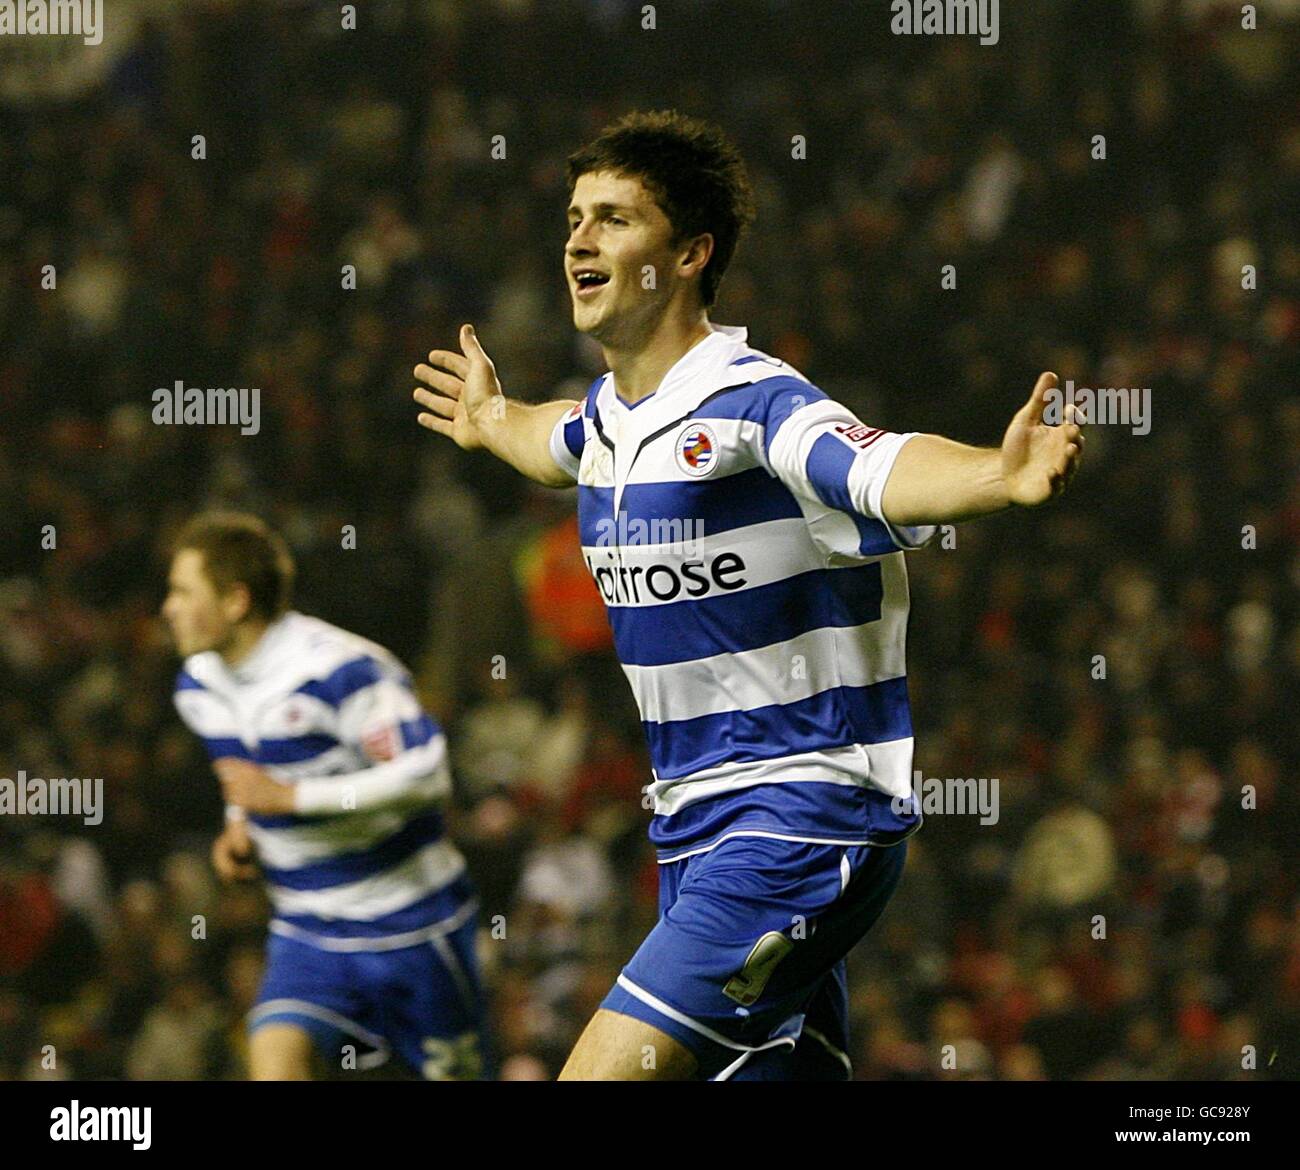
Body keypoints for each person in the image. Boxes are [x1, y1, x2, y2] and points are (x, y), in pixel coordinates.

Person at [412, 109, 1083, 1080]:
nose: (578, 241)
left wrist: (993, 475)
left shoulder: (753, 405)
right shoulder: (606, 425)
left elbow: (876, 467)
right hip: (695, 837)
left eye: (613, 218)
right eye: (572, 218)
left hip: (797, 820)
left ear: (690, 253)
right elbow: (553, 440)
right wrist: (489, 417)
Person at [163, 511, 485, 1080]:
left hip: (412, 924)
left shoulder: (344, 671)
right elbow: (247, 778)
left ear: (236, 601)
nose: (169, 608)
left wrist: (292, 799)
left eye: (183, 592)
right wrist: (239, 826)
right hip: (307, 930)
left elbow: (428, 776)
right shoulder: (198, 685)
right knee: (274, 1064)